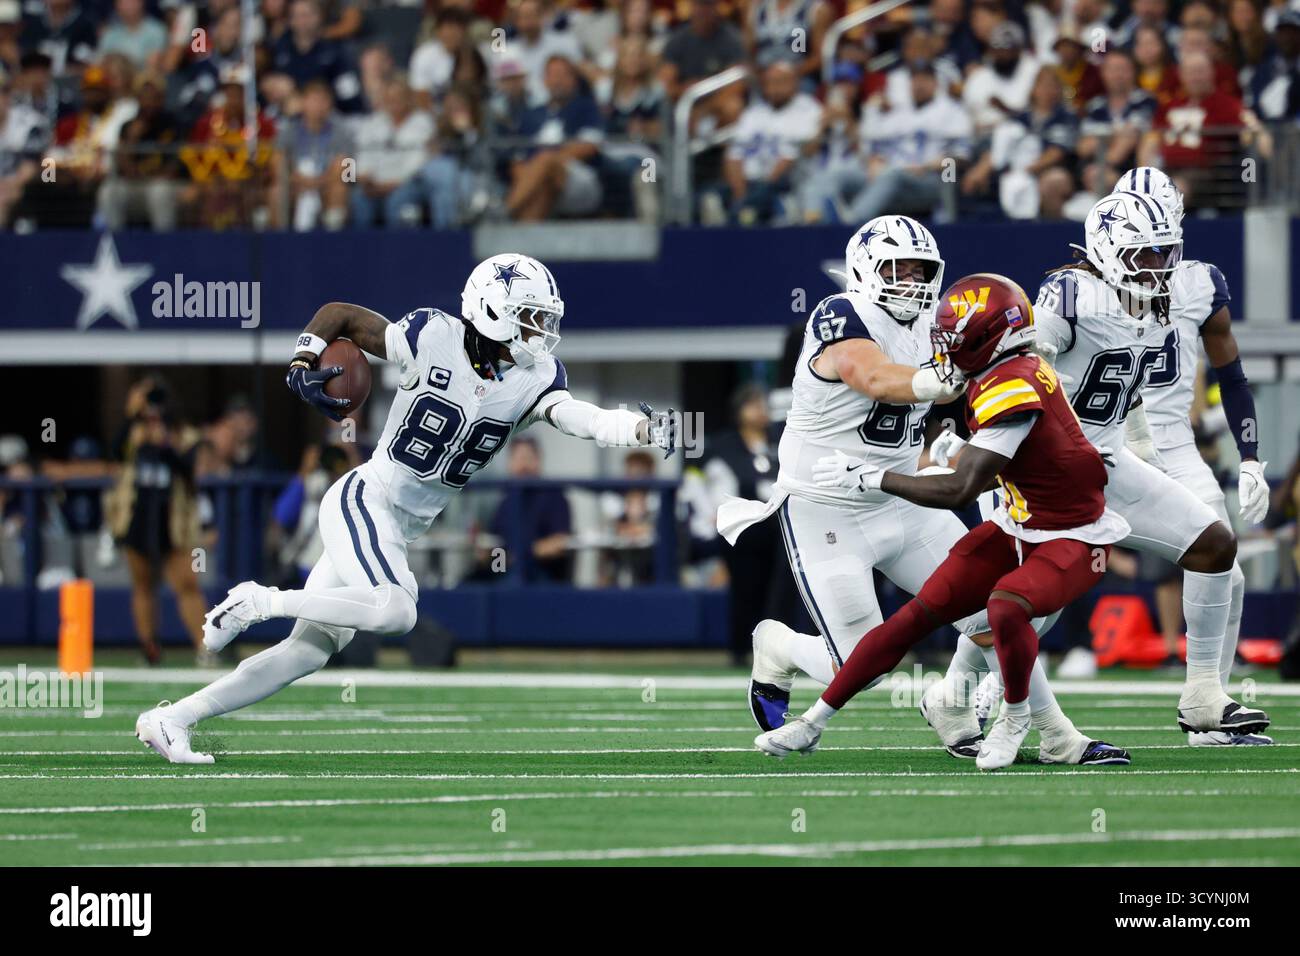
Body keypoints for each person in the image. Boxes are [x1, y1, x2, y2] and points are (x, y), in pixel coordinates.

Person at [135, 254, 678, 763]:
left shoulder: (535, 379)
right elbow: (341, 315)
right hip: (365, 498)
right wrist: (303, 358)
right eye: (529, 317)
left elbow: (583, 417)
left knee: (308, 652)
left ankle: (174, 719)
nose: (540, 330)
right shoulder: (432, 334)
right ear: (492, 311)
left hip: (399, 527)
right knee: (396, 610)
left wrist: (641, 427)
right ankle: (260, 601)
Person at [717, 217, 1124, 766]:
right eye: (896, 268)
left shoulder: (938, 325)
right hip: (825, 508)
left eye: (921, 270)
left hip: (903, 499)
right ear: (863, 269)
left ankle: (1054, 734)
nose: (910, 281)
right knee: (857, 663)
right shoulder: (840, 314)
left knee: (989, 616)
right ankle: (778, 647)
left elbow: (979, 405)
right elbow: (875, 377)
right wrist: (934, 381)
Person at [932, 191, 1270, 745]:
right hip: (1045, 467)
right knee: (1037, 605)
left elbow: (1123, 386)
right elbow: (1011, 372)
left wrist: (1142, 446)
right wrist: (975, 444)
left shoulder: (1156, 301)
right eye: (1146, 256)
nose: (1160, 269)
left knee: (1214, 546)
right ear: (1109, 251)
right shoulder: (1072, 296)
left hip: (1108, 458)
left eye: (1167, 254)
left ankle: (1204, 696)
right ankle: (952, 697)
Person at [1119, 166, 1273, 745]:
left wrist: (1251, 456)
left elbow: (1232, 377)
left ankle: (1206, 705)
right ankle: (969, 687)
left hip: (1176, 447)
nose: (1155, 256)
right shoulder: (1079, 289)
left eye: (1164, 242)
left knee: (1225, 572)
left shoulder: (1200, 284)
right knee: (1051, 576)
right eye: (1142, 245)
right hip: (1103, 445)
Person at [105, 378, 208, 666]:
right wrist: (131, 415)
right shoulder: (134, 432)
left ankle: (205, 646)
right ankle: (148, 647)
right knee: (143, 585)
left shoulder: (184, 435)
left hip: (173, 520)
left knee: (186, 584)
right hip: (137, 515)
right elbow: (115, 454)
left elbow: (189, 472)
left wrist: (164, 444)